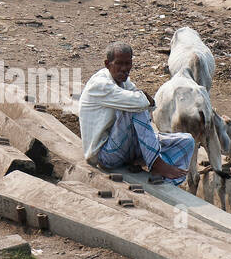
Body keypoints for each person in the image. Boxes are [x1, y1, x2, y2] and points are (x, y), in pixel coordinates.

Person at [78, 42, 192, 184]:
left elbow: (148, 105)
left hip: (124, 149)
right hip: (105, 155)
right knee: (134, 108)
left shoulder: (125, 83)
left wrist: (143, 100)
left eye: (128, 63)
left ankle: (160, 176)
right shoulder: (100, 84)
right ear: (107, 64)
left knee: (187, 141)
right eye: (119, 64)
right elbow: (141, 103)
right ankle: (156, 163)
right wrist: (143, 100)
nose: (125, 69)